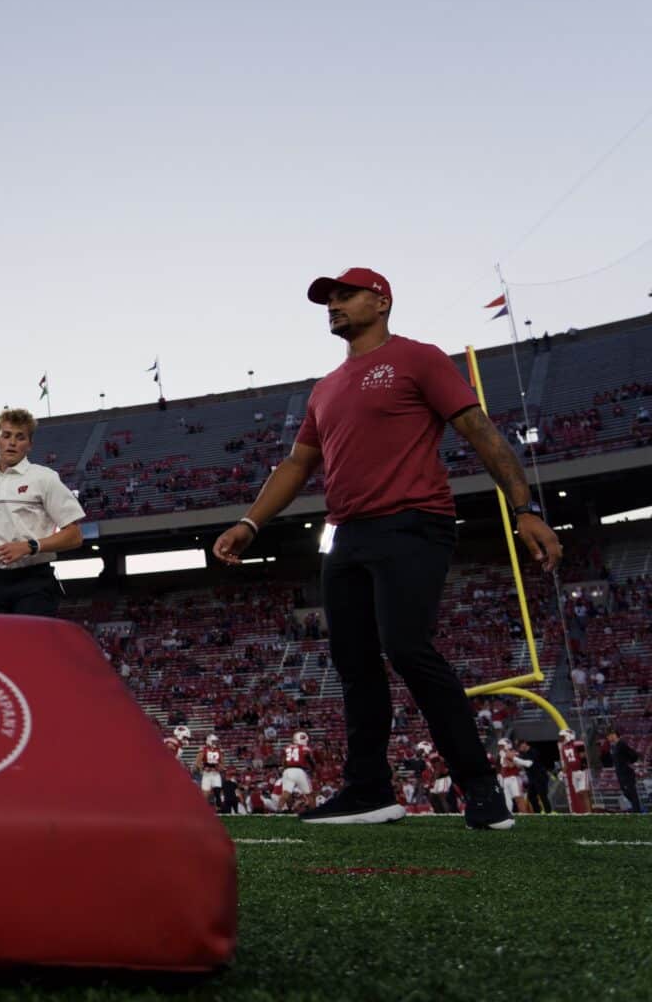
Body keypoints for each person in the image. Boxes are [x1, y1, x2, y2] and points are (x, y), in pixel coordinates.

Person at [212, 266, 562, 831]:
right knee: (353, 664)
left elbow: (480, 431)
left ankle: (479, 784)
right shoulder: (325, 388)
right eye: (329, 299)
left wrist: (524, 510)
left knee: (406, 646)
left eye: (345, 295)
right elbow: (298, 464)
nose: (333, 305)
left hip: (414, 522)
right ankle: (369, 790)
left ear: (381, 300)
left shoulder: (419, 358)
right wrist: (250, 523)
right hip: (347, 533)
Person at [0, 408, 85, 615]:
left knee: (31, 646)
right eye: (6, 435)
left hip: (35, 582)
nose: (12, 442)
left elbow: (74, 535)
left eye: (20, 437)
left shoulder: (44, 478)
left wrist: (30, 546)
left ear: (29, 444)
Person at [601, 730, 643, 813]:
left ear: (613, 735)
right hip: (620, 773)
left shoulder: (622, 744)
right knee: (626, 792)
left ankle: (637, 811)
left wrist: (628, 763)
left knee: (631, 792)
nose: (608, 738)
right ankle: (636, 809)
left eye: (608, 736)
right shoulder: (615, 746)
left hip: (626, 773)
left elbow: (633, 755)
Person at [517, 740, 551, 814]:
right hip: (532, 779)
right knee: (531, 796)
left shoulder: (534, 751)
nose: (520, 749)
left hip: (540, 777)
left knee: (543, 796)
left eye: (520, 746)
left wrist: (517, 758)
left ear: (524, 744)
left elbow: (529, 763)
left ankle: (549, 812)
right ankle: (538, 812)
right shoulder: (523, 754)